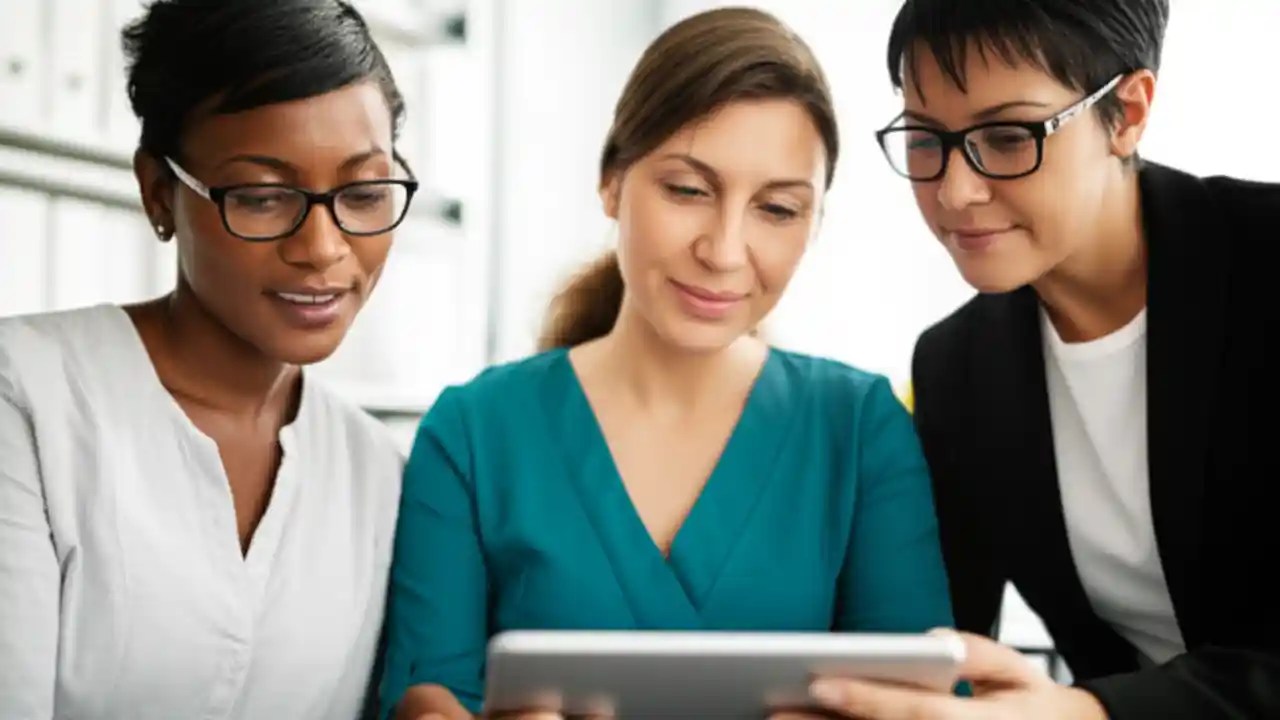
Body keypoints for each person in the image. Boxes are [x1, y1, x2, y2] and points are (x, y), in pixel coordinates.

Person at [377, 7, 955, 719]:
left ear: (815, 224)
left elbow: (924, 706)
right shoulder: (473, 434)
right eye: (687, 191)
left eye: (776, 208)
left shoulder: (860, 431)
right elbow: (424, 695)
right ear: (612, 181)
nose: (723, 248)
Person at [792, 0, 1280, 718]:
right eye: (926, 139)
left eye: (1009, 135)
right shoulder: (957, 365)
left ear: (1130, 111)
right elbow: (944, 642)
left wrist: (1084, 712)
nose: (955, 191)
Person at [0, 1, 417, 717]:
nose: (321, 248)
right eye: (261, 197)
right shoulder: (28, 398)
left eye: (364, 192)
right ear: (159, 193)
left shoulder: (378, 471)